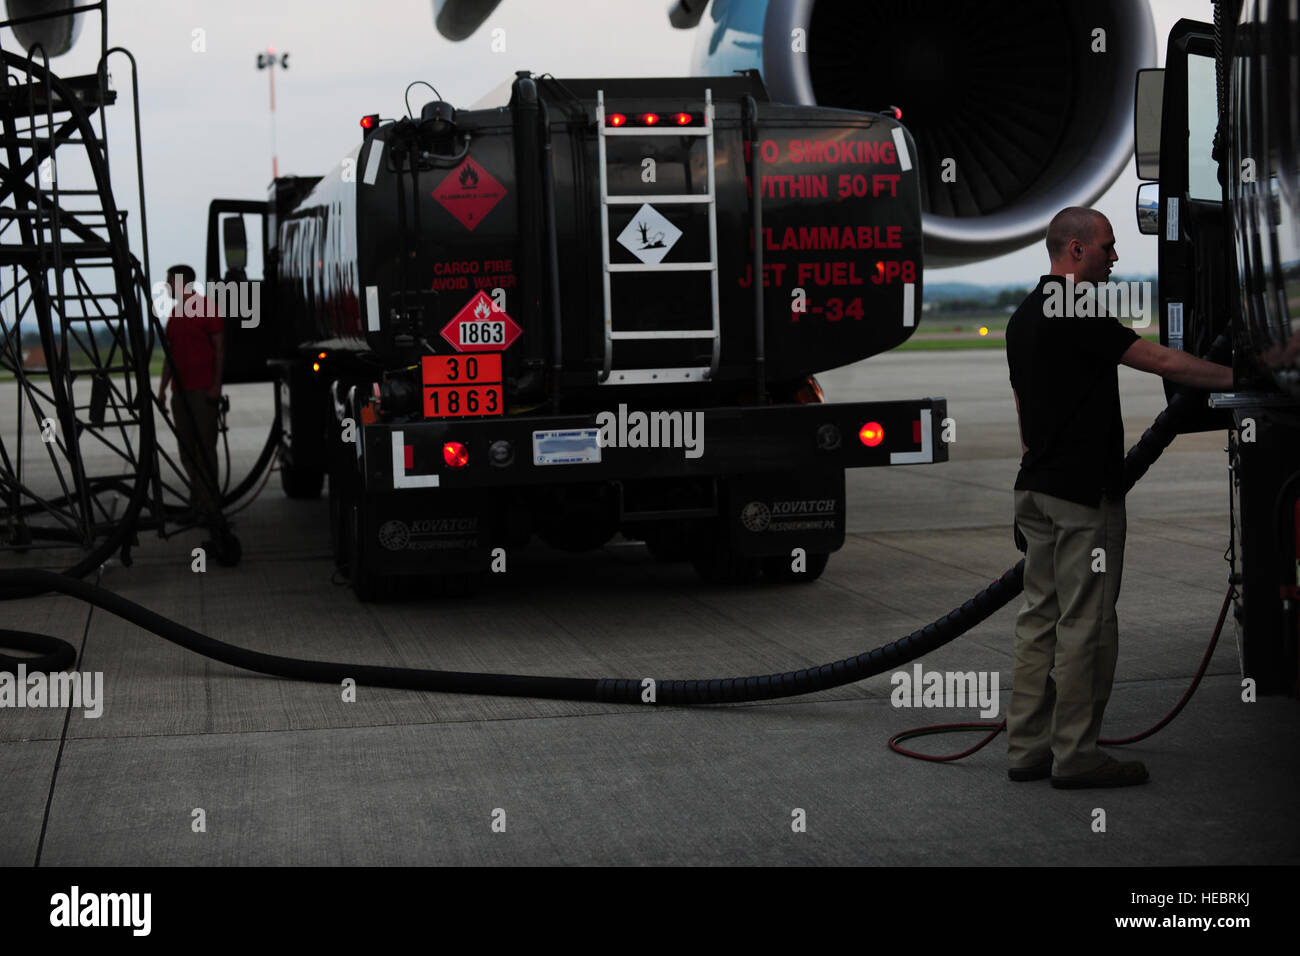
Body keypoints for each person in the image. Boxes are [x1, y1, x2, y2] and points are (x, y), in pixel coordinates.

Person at [1004, 207, 1232, 789]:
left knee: (1038, 622)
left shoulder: (1024, 315)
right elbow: (1155, 359)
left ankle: (1028, 748)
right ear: (1075, 250)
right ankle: (1077, 756)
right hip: (1082, 496)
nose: (1115, 257)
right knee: (1087, 624)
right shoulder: (1075, 307)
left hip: (1035, 491)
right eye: (1107, 246)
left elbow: (1025, 417)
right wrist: (1240, 377)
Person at [157, 264, 234, 559]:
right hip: (180, 393)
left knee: (206, 449)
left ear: (183, 282)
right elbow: (169, 357)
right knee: (187, 450)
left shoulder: (207, 309)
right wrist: (163, 390)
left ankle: (210, 506)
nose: (166, 284)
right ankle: (198, 503)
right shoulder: (175, 315)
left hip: (203, 391)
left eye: (169, 280)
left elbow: (220, 350)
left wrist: (216, 386)